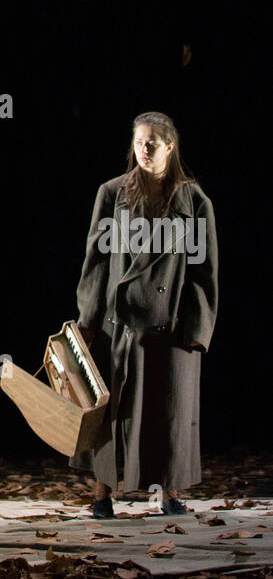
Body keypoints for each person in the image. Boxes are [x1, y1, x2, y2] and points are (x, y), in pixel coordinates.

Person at [72, 111, 218, 518]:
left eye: (153, 142)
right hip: (119, 323)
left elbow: (204, 271)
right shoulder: (111, 193)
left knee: (168, 410)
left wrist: (197, 327)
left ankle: (169, 493)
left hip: (169, 325)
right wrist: (88, 317)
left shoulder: (194, 200)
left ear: (170, 147)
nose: (145, 149)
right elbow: (96, 262)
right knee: (113, 412)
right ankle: (102, 493)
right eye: (139, 142)